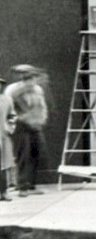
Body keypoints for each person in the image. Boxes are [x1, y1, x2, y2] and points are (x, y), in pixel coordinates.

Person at [5, 65, 48, 196]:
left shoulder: (37, 90)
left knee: (37, 152)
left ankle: (31, 184)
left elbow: (42, 105)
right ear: (24, 81)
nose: (32, 84)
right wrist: (14, 121)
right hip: (21, 125)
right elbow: (8, 107)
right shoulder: (12, 90)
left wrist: (42, 118)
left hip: (35, 125)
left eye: (34, 81)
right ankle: (22, 186)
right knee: (24, 154)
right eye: (30, 82)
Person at [0, 75, 14, 201]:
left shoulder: (6, 99)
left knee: (3, 166)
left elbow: (12, 115)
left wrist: (9, 128)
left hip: (2, 137)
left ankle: (3, 192)